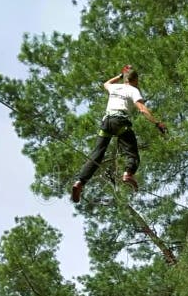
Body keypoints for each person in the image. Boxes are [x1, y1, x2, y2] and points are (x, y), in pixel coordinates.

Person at [71, 66, 167, 203]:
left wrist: (120, 75)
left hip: (106, 122)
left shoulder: (114, 88)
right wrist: (157, 123)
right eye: (138, 81)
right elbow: (142, 108)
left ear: (125, 78)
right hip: (120, 122)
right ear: (135, 80)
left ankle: (79, 182)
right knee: (132, 151)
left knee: (96, 155)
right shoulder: (133, 90)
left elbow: (106, 84)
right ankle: (128, 174)